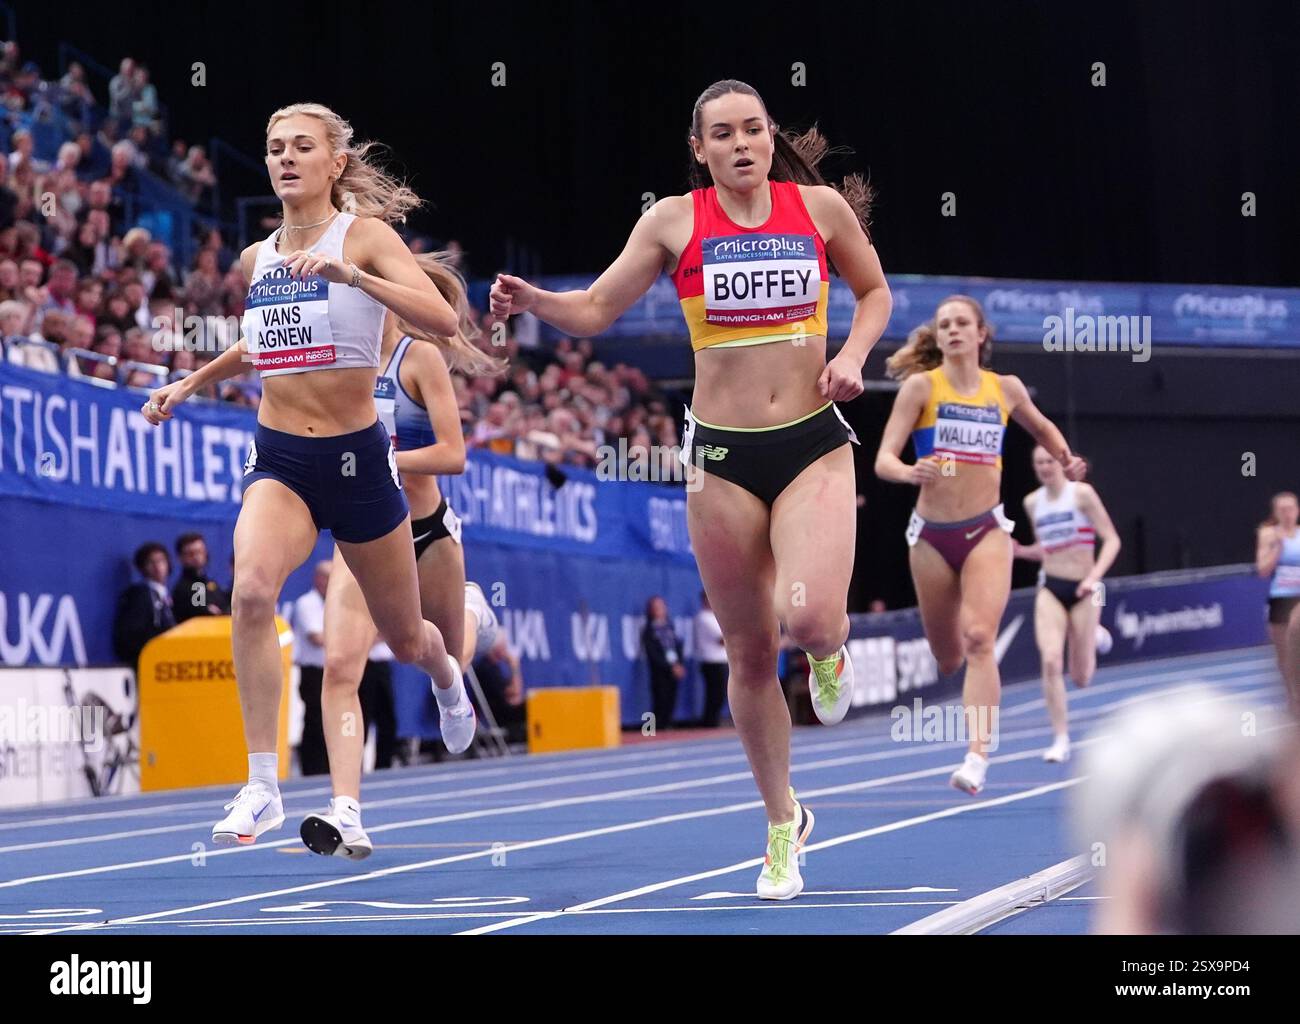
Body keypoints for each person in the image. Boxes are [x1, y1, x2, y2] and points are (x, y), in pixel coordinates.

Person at [490, 79, 890, 899]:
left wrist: (851, 358)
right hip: (719, 458)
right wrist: (535, 303)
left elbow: (876, 292)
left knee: (809, 613)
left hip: (812, 440)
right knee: (748, 653)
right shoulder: (672, 221)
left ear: (768, 137)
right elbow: (598, 309)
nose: (741, 143)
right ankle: (784, 824)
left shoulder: (816, 210)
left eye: (753, 129)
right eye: (722, 134)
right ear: (699, 149)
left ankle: (829, 645)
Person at [140, 102, 474, 847]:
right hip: (281, 456)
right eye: (273, 148)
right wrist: (190, 383)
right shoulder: (254, 260)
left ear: (334, 163)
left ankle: (447, 675)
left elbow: (446, 322)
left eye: (301, 147)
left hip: (358, 461)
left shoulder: (365, 237)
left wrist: (350, 272)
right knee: (253, 589)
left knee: (406, 635)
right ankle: (262, 784)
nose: (285, 158)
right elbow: (259, 347)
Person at [299, 252, 505, 859]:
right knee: (340, 668)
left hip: (425, 531)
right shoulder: (335, 364)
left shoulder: (418, 359)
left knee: (437, 649)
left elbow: (453, 454)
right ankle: (347, 811)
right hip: (361, 535)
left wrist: (383, 460)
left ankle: (461, 644)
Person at [875, 295, 1086, 795]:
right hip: (929, 536)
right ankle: (965, 710)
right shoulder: (922, 388)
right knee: (947, 655)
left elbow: (1043, 426)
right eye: (943, 324)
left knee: (978, 640)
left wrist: (1066, 457)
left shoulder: (1005, 389)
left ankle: (977, 755)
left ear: (980, 334)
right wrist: (909, 470)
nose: (951, 330)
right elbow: (883, 458)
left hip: (986, 532)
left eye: (961, 323)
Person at [1012, 446, 1121, 761]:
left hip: (1088, 589)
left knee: (1082, 678)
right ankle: (1060, 738)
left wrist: (1094, 578)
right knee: (1049, 660)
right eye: (1038, 463)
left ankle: (1095, 634)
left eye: (1049, 461)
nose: (1044, 467)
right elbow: (1047, 549)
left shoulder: (1082, 495)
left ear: (1060, 463)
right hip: (1051, 586)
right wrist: (1021, 552)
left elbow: (1112, 539)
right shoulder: (1032, 502)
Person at [1257, 491, 1300, 713]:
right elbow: (1262, 570)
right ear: (1275, 513)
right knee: (1284, 657)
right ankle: (1292, 698)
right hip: (1280, 598)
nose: (1287, 514)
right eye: (1282, 510)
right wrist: (1278, 548)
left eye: (1291, 508)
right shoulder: (1268, 535)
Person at [112, 542, 175, 674]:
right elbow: (132, 635)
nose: (157, 567)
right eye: (151, 562)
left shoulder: (165, 596)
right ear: (142, 568)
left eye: (161, 560)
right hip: (150, 668)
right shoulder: (140, 595)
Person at [292, 561, 331, 776]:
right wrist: (349, 639)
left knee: (331, 722)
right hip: (313, 671)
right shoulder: (306, 603)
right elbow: (316, 637)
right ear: (317, 579)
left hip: (331, 670)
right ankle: (312, 770)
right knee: (314, 720)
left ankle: (327, 768)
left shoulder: (334, 603)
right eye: (326, 577)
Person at [642, 596, 685, 731]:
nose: (660, 610)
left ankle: (667, 724)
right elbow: (652, 653)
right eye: (656, 608)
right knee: (659, 697)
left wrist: (678, 664)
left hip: (673, 667)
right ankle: (653, 728)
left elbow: (677, 646)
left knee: (671, 698)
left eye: (661, 607)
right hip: (659, 670)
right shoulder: (649, 630)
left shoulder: (669, 628)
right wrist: (668, 666)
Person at [171, 531, 231, 622]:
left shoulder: (210, 583)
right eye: (190, 554)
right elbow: (204, 614)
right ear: (180, 557)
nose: (196, 557)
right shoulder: (185, 587)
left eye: (200, 552)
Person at [694, 591, 728, 727]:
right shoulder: (703, 618)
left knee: (720, 694)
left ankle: (712, 720)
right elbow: (722, 639)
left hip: (721, 660)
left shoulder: (716, 617)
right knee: (714, 693)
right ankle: (709, 722)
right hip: (711, 661)